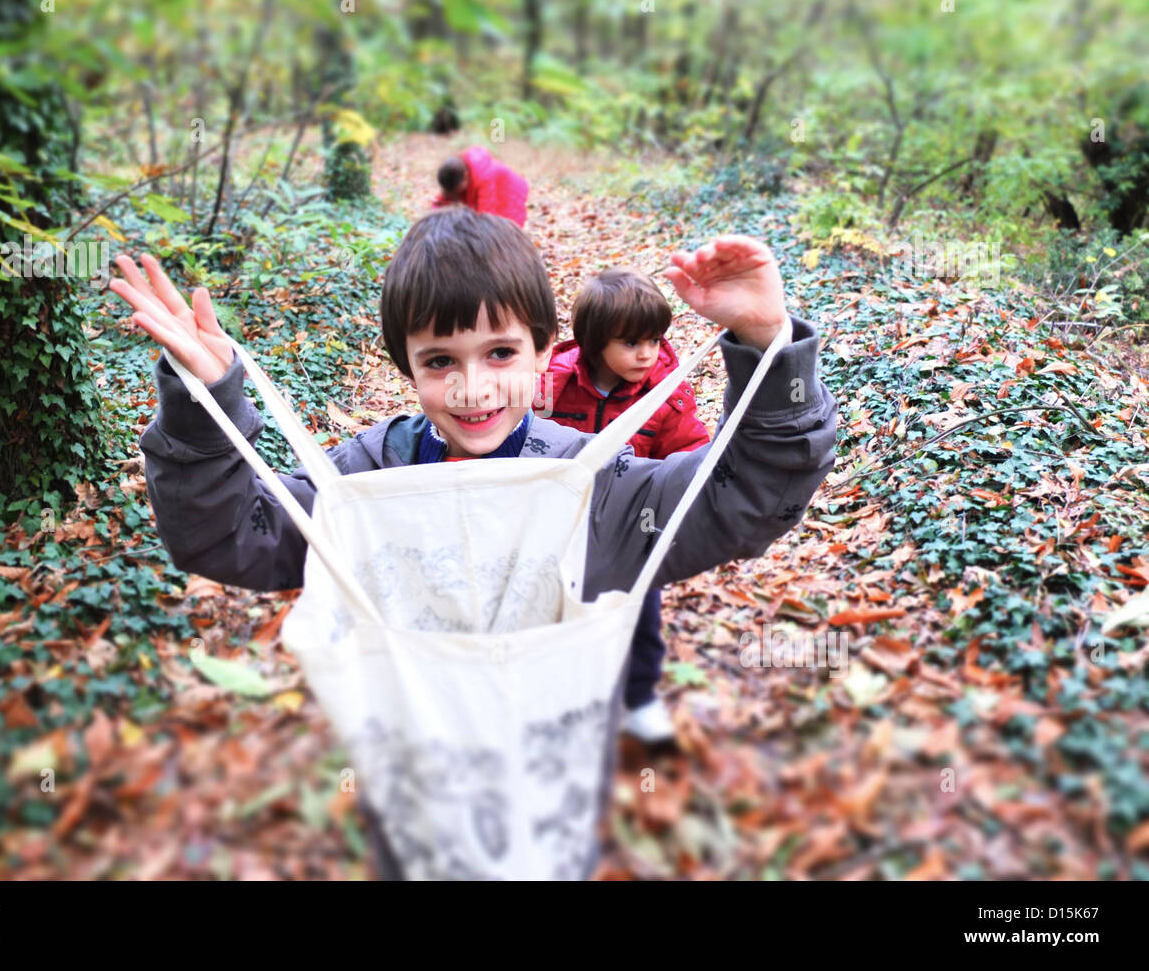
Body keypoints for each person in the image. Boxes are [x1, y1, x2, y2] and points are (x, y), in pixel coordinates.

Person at [109, 205, 838, 877]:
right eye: (440, 361)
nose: (472, 389)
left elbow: (745, 498)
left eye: (499, 353)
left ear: (542, 352)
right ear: (407, 364)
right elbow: (231, 534)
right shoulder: (367, 483)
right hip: (414, 801)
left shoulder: (590, 487)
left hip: (551, 806)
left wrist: (768, 346)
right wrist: (206, 409)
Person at [539, 267, 710, 744]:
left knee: (639, 616)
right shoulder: (553, 387)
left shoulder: (666, 396)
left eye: (655, 340)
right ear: (594, 342)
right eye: (631, 343)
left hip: (635, 526)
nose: (646, 354)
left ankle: (638, 698)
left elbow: (690, 453)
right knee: (560, 607)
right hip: (566, 524)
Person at [432, 145, 529, 227]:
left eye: (457, 190)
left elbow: (485, 215)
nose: (455, 194)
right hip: (490, 187)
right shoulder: (454, 176)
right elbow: (443, 200)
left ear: (466, 176)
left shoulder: (483, 177)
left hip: (508, 192)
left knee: (504, 229)